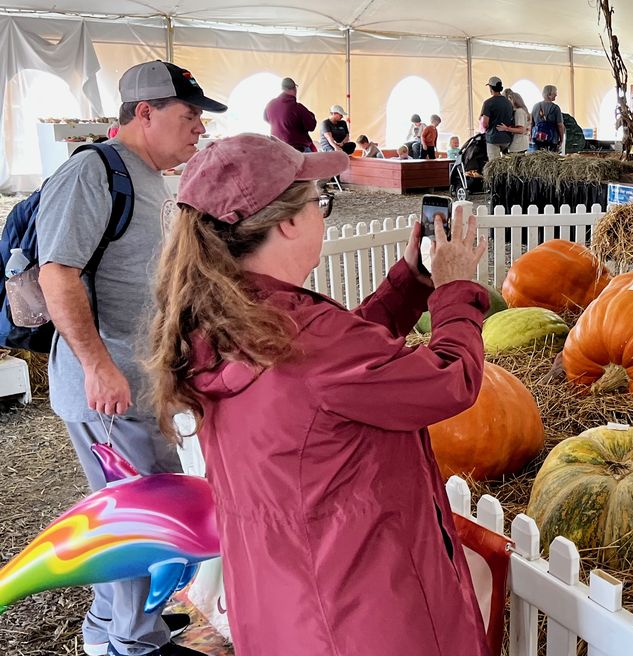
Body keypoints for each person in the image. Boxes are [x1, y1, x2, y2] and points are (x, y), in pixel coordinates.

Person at [146, 133, 492, 656]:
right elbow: (452, 377)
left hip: (284, 601)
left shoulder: (221, 318)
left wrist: (407, 285)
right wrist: (453, 290)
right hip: (361, 610)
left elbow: (332, 375)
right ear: (286, 222)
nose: (322, 214)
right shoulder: (308, 340)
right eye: (319, 201)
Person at [36, 59, 227, 656]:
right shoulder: (94, 173)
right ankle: (133, 643)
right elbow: (57, 273)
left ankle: (107, 629)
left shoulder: (149, 178)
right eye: (188, 115)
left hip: (137, 383)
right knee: (147, 520)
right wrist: (97, 364)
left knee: (125, 512)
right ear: (144, 113)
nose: (199, 127)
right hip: (109, 387)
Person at [263, 77, 317, 153]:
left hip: (278, 149)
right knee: (316, 161)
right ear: (294, 88)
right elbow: (311, 126)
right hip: (297, 149)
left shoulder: (270, 104)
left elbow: (266, 118)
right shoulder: (297, 107)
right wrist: (311, 115)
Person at [479, 76, 516, 162]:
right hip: (507, 139)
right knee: (506, 163)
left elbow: (485, 123)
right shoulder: (508, 103)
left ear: (491, 88)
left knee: (494, 164)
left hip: (493, 138)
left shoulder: (488, 103)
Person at [529, 84, 566, 153]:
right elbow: (560, 125)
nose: (556, 95)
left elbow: (532, 123)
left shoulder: (535, 106)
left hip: (537, 137)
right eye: (555, 93)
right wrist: (561, 140)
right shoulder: (555, 108)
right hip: (552, 139)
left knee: (538, 158)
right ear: (549, 94)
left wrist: (531, 136)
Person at [499, 89, 530, 154]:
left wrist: (506, 128)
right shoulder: (521, 111)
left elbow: (521, 130)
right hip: (520, 145)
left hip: (518, 146)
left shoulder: (519, 112)